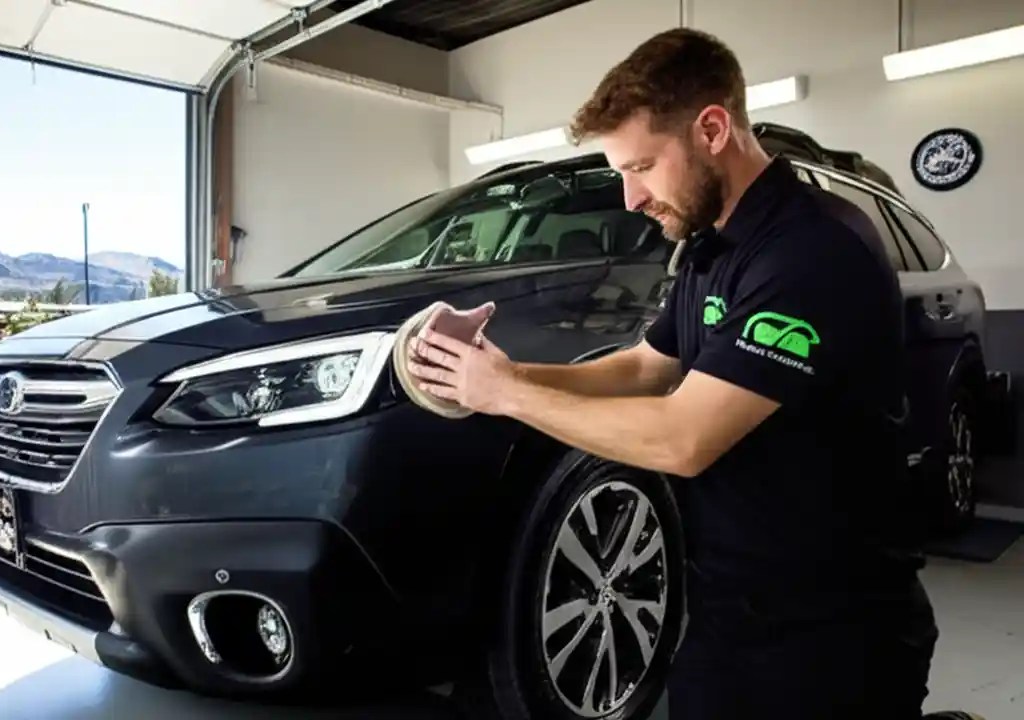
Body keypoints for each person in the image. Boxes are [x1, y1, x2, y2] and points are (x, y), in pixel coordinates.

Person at [406, 27, 983, 720]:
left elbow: (683, 439)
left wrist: (504, 395)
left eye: (642, 166)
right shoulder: (713, 248)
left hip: (833, 634)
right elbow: (645, 368)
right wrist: (509, 373)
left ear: (712, 129)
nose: (630, 197)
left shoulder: (812, 249)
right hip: (726, 615)